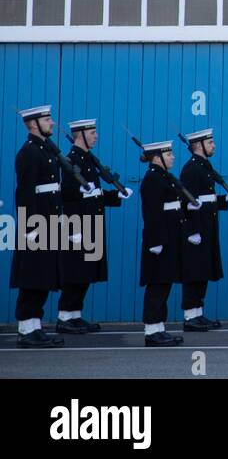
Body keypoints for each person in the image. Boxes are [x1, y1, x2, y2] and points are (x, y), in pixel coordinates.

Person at [56, 118, 130, 335]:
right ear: (79, 135)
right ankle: (64, 317)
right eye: (92, 132)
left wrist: (115, 195)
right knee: (75, 270)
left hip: (92, 221)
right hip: (78, 225)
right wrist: (73, 231)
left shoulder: (88, 160)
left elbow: (93, 194)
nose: (96, 136)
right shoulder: (71, 160)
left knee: (86, 272)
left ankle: (75, 315)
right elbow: (67, 195)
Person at [10, 105, 66, 349]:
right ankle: (25, 328)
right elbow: (24, 193)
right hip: (37, 222)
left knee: (42, 276)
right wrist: (30, 225)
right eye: (47, 119)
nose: (52, 123)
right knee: (31, 275)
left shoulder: (45, 150)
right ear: (33, 124)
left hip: (49, 220)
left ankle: (35, 326)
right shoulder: (30, 152)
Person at [138, 138, 194, 347]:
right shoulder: (152, 179)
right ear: (157, 157)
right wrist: (155, 241)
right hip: (159, 242)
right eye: (169, 154)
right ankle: (152, 331)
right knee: (157, 286)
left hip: (170, 240)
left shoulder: (164, 177)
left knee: (165, 284)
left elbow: (173, 207)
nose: (172, 157)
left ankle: (159, 327)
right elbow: (151, 213)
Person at [179, 128, 228, 332]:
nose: (214, 145)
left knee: (203, 269)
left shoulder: (204, 166)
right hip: (197, 229)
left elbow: (205, 199)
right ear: (199, 145)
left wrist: (223, 199)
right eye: (210, 142)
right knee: (194, 270)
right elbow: (187, 202)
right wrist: (192, 230)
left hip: (207, 225)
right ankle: (189, 315)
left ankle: (198, 312)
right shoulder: (191, 168)